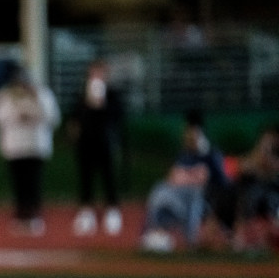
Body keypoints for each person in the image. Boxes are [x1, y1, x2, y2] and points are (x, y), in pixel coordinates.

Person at [139, 110, 229, 253]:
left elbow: (219, 182)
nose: (188, 135)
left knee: (194, 194)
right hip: (179, 198)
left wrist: (190, 174)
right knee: (159, 190)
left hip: (204, 199)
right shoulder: (183, 155)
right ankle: (151, 233)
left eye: (192, 132)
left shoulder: (211, 154)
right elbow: (172, 178)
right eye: (187, 131)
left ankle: (190, 241)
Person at [0, 66, 60, 235]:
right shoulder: (5, 95)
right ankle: (20, 215)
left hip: (35, 146)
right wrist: (17, 116)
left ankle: (35, 216)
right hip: (14, 146)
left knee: (34, 182)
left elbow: (53, 117)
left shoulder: (42, 94)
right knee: (19, 183)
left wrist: (35, 101)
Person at [67, 59, 125, 236]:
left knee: (108, 176)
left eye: (100, 73)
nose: (96, 76)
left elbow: (117, 116)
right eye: (93, 73)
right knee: (85, 177)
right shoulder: (81, 94)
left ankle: (112, 211)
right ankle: (86, 212)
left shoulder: (113, 94)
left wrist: (102, 105)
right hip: (86, 143)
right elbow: (74, 116)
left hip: (105, 142)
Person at [227, 124, 279, 253]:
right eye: (265, 140)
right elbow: (241, 167)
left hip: (273, 197)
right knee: (247, 194)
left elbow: (272, 169)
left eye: (270, 140)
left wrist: (265, 165)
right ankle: (240, 238)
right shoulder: (254, 156)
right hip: (252, 198)